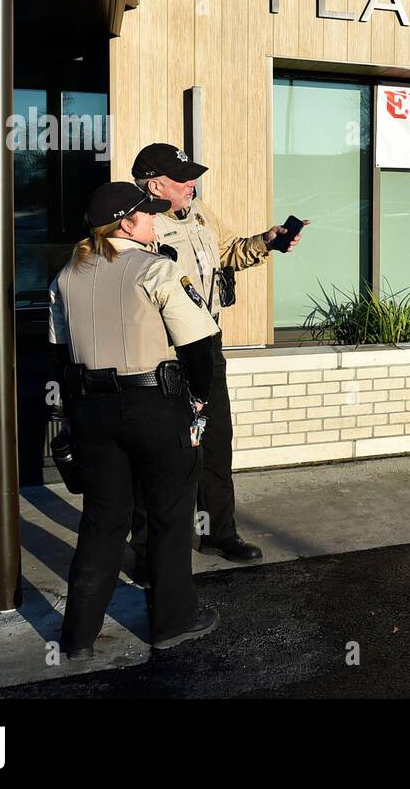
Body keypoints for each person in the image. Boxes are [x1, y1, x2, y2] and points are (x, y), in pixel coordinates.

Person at [49, 181, 222, 659]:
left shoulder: (67, 275)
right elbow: (198, 346)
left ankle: (77, 637)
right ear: (127, 223)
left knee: (102, 522)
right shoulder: (156, 269)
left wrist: (70, 410)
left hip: (91, 410)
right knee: (169, 517)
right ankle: (172, 622)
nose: (154, 221)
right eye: (147, 214)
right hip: (154, 405)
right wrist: (200, 402)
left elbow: (57, 353)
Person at [130, 141, 308, 566]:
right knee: (161, 453)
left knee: (214, 442)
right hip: (161, 352)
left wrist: (268, 241)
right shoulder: (137, 223)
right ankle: (147, 548)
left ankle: (217, 534)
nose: (193, 183)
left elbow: (227, 251)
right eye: (183, 178)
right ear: (156, 184)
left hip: (206, 343)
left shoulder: (200, 213)